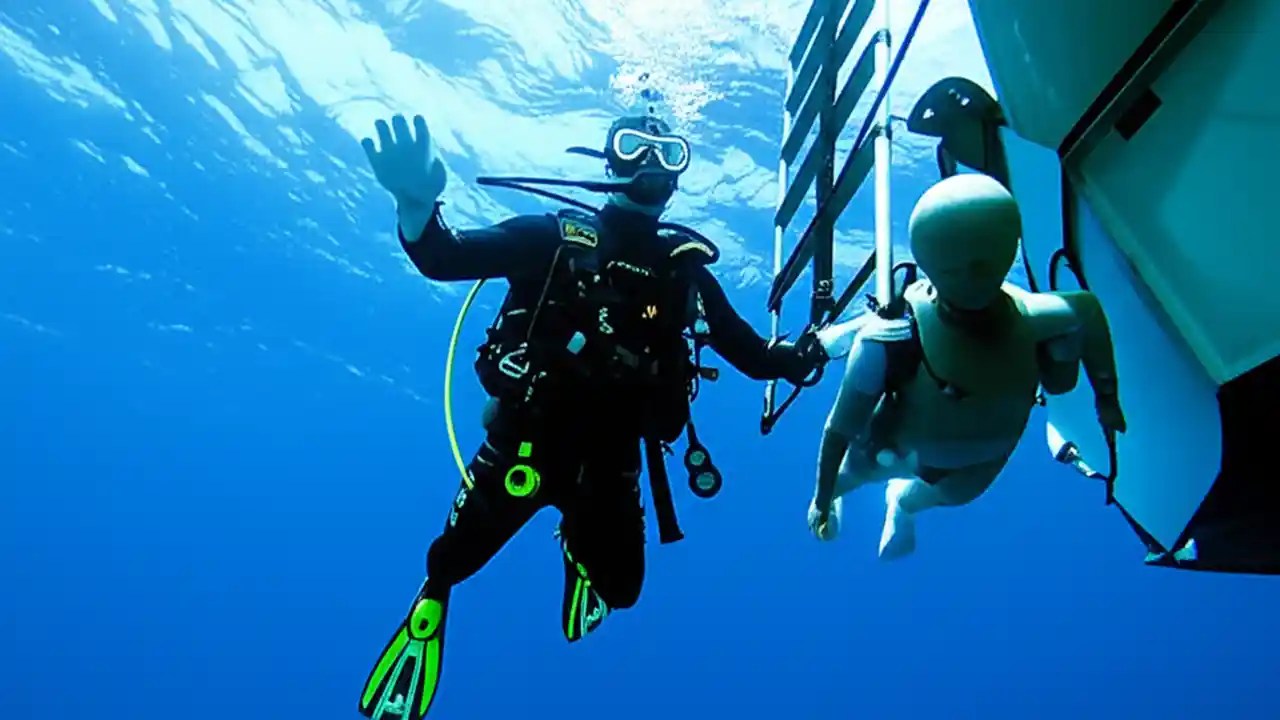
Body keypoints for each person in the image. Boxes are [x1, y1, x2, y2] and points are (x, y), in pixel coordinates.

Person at [355, 111, 824, 720]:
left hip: (613, 464)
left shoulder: (685, 272)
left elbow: (751, 353)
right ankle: (430, 611)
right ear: (611, 161)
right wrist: (415, 209)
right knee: (449, 564)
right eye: (635, 148)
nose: (652, 164)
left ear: (680, 174)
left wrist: (796, 356)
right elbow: (444, 258)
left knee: (623, 592)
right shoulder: (552, 237)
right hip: (527, 445)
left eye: (669, 153)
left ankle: (577, 548)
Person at [807, 173, 1127, 560]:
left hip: (973, 462)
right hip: (897, 443)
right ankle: (846, 494)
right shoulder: (887, 340)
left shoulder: (1035, 317)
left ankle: (901, 505)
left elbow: (1086, 312)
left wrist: (1107, 399)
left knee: (951, 494)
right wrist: (822, 497)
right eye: (958, 269)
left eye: (984, 265)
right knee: (851, 474)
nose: (973, 280)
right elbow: (840, 427)